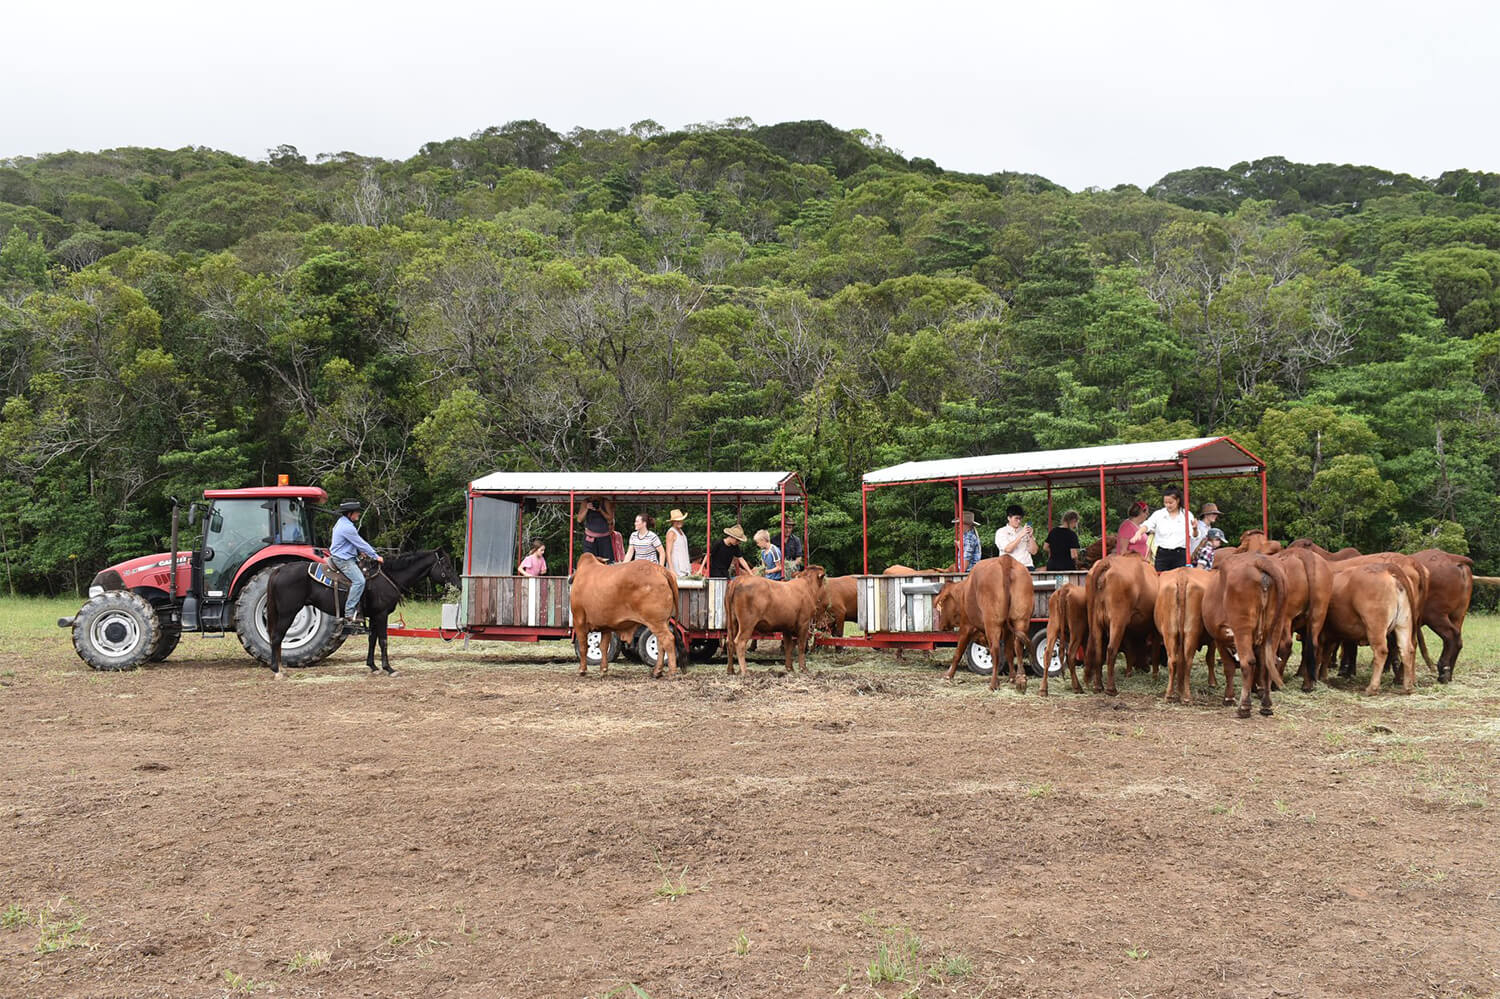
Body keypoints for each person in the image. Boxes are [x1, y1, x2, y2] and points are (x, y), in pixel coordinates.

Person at [328, 499, 383, 632]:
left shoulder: (342, 522)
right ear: (349, 513)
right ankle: (349, 612)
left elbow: (351, 543)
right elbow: (360, 543)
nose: (358, 514)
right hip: (343, 559)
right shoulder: (347, 527)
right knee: (359, 581)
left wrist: (359, 552)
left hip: (347, 556)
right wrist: (375, 556)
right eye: (356, 512)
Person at [1141, 486, 1199, 572]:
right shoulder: (1159, 514)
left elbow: (1194, 536)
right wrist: (1139, 533)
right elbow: (1147, 525)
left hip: (1180, 554)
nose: (1168, 505)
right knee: (1160, 577)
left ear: (1177, 500)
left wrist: (1195, 529)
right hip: (1162, 554)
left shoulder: (1187, 515)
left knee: (1180, 578)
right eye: (1165, 502)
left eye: (1170, 502)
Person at [993, 504, 1038, 569]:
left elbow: (1034, 552)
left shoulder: (1025, 530)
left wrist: (1031, 537)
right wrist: (1021, 535)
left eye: (1020, 518)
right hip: (1009, 567)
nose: (1019, 521)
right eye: (1016, 518)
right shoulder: (1001, 532)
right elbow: (1008, 549)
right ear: (1009, 518)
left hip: (1026, 566)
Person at [575, 497, 616, 562]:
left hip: (604, 539)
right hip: (590, 538)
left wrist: (601, 510)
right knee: (588, 561)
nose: (594, 496)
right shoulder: (585, 502)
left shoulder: (605, 502)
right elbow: (579, 519)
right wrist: (587, 508)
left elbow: (610, 519)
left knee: (608, 561)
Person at [664, 509, 692, 577]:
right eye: (677, 521)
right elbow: (668, 552)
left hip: (684, 566)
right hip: (676, 567)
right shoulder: (671, 533)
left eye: (681, 520)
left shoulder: (681, 531)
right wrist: (671, 569)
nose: (679, 522)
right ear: (673, 522)